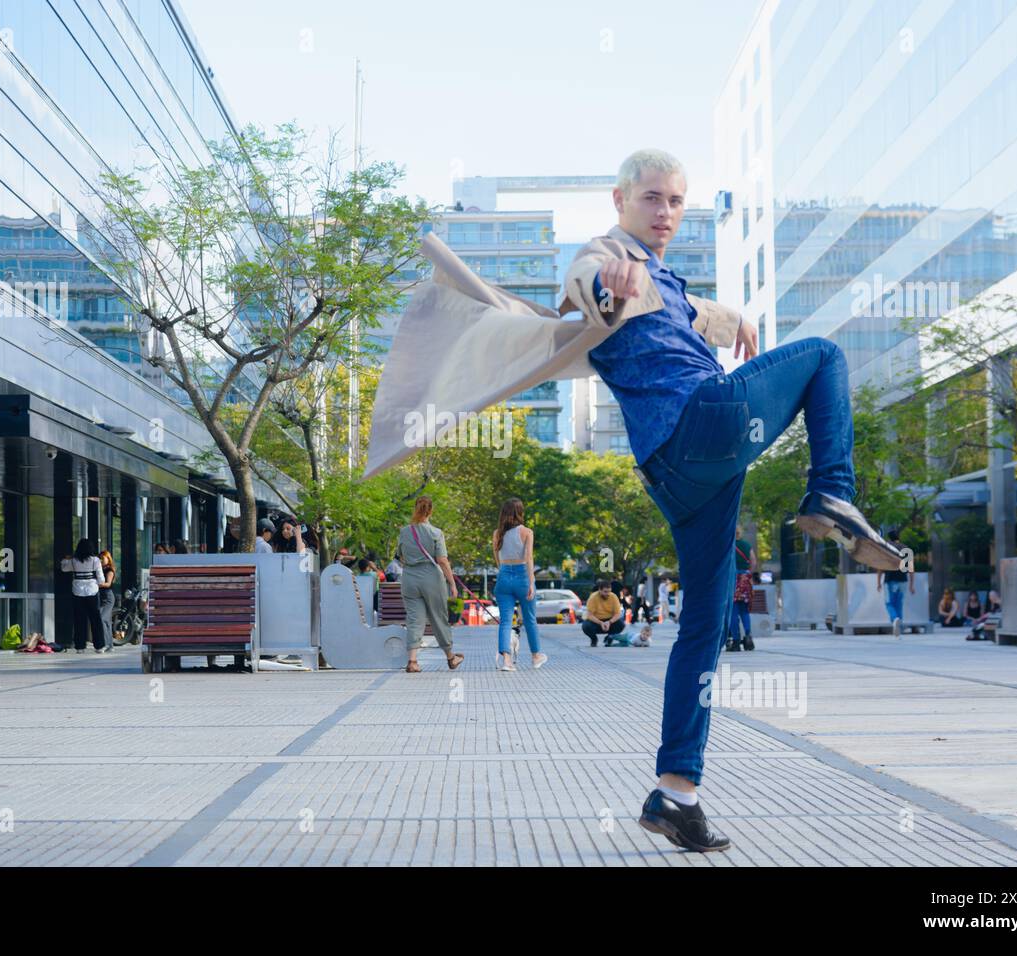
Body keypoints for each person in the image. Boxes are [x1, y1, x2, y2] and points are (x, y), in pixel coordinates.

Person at [364, 148, 904, 853]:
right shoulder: (606, 256)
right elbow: (593, 283)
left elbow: (691, 307)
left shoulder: (667, 280)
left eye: (677, 202)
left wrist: (729, 316)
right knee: (825, 358)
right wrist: (608, 279)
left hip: (680, 476)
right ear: (621, 200)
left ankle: (676, 793)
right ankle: (832, 492)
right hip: (697, 422)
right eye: (652, 199)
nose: (666, 213)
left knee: (704, 628)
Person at [397, 496, 464, 673]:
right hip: (431, 578)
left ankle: (412, 661)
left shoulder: (404, 532)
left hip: (410, 578)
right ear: (431, 510)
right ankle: (451, 658)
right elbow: (442, 560)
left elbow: (400, 556)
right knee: (438, 617)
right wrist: (452, 583)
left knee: (414, 619)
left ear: (415, 509)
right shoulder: (436, 533)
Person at [492, 498, 546, 672]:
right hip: (523, 575)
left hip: (504, 576)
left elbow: (497, 558)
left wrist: (504, 572)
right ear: (520, 512)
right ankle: (536, 656)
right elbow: (529, 557)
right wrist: (531, 582)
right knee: (530, 619)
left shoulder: (497, 534)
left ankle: (507, 661)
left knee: (505, 621)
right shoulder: (527, 532)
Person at [60, 539, 107, 653]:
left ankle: (80, 647)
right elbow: (101, 579)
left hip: (77, 592)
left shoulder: (74, 561)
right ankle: (99, 646)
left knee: (79, 620)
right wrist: (97, 581)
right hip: (92, 591)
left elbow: (64, 568)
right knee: (95, 619)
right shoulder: (95, 560)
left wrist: (65, 559)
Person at [875, 534, 916, 638]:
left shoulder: (886, 547)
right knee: (899, 604)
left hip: (890, 580)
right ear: (899, 538)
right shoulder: (906, 548)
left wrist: (878, 582)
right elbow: (911, 569)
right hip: (903, 580)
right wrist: (911, 585)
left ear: (889, 538)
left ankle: (894, 619)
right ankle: (899, 629)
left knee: (889, 603)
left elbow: (880, 566)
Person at [726, 527, 755, 652]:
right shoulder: (747, 545)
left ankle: (736, 641)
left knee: (733, 611)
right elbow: (753, 562)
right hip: (744, 579)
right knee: (744, 610)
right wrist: (748, 574)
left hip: (732, 579)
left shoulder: (728, 546)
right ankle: (748, 637)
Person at [582, 579, 626, 647]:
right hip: (596, 621)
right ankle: (594, 639)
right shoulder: (593, 597)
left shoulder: (613, 597)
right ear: (599, 590)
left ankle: (609, 638)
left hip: (609, 621)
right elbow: (589, 615)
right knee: (586, 626)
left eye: (609, 591)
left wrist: (609, 622)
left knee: (621, 624)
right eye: (605, 592)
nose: (608, 594)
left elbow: (618, 614)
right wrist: (600, 623)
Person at [98, 549, 117, 652]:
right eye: (99, 558)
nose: (101, 560)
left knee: (102, 619)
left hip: (108, 597)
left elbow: (108, 584)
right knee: (106, 621)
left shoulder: (109, 570)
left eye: (103, 558)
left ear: (108, 559)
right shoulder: (100, 569)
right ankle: (110, 645)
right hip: (101, 596)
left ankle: (105, 644)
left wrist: (96, 584)